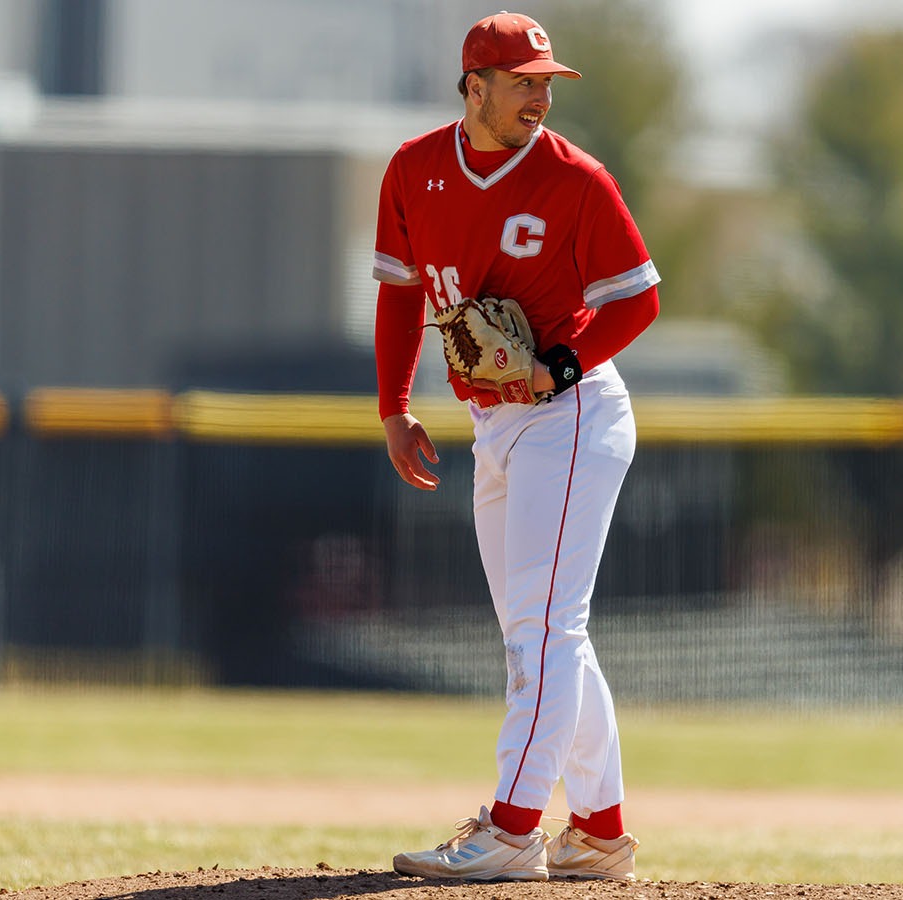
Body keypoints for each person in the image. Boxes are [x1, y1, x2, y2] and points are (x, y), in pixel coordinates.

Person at [371, 10, 660, 884]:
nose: (540, 95)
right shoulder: (415, 170)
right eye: (524, 80)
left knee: (545, 630)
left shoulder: (576, 178)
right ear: (474, 85)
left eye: (547, 82)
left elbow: (638, 300)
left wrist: (558, 366)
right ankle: (601, 836)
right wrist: (392, 406)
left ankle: (512, 826)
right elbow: (396, 294)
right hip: (489, 423)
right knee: (539, 636)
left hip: (570, 417)